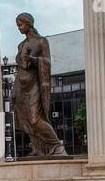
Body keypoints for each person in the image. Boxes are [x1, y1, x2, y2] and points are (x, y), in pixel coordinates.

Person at [11, 13, 66, 157]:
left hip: (34, 83)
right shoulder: (21, 45)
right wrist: (13, 91)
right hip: (21, 85)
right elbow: (20, 68)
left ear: (29, 24)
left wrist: (34, 60)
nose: (19, 28)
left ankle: (56, 145)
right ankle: (37, 148)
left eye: (21, 24)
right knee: (25, 120)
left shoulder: (41, 41)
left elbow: (47, 62)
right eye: (18, 25)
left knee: (35, 119)